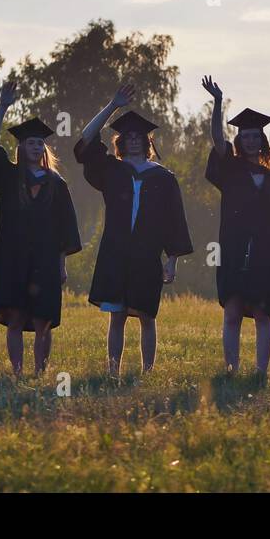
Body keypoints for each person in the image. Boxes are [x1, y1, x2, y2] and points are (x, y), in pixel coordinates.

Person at [74, 84, 193, 377]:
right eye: (129, 137)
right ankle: (112, 372)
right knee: (117, 315)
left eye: (140, 137)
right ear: (121, 141)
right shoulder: (112, 170)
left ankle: (148, 372)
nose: (135, 141)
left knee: (147, 315)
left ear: (147, 141)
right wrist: (112, 105)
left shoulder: (163, 178)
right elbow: (84, 143)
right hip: (116, 252)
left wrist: (172, 259)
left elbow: (174, 220)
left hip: (146, 254)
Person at [0, 80, 82, 378]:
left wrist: (62, 264)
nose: (35, 146)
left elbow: (66, 228)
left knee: (42, 321)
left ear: (44, 148)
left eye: (40, 143)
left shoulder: (57, 184)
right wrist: (2, 107)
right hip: (13, 258)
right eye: (30, 142)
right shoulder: (9, 177)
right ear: (21, 146)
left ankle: (39, 372)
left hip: (46, 260)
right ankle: (18, 372)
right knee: (15, 317)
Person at [202, 76, 270, 375]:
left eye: (257, 136)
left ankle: (261, 372)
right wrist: (217, 102)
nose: (251, 140)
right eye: (246, 136)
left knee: (264, 313)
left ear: (263, 141)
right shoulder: (230, 169)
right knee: (232, 313)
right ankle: (231, 370)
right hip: (232, 249)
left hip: (264, 254)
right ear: (240, 141)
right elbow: (217, 139)